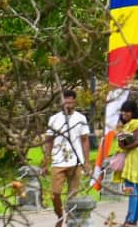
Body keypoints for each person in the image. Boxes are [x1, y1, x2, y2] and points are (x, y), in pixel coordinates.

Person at [45, 89, 92, 227]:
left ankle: (70, 219)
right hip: (58, 160)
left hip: (75, 161)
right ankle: (60, 215)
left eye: (70, 102)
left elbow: (85, 140)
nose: (68, 104)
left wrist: (87, 161)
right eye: (66, 101)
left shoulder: (81, 118)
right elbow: (49, 140)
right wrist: (46, 159)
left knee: (73, 195)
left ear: (74, 102)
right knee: (55, 193)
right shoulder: (54, 119)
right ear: (62, 102)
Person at [113, 99, 138, 227]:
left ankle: (131, 219)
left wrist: (126, 147)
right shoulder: (125, 125)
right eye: (123, 112)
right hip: (130, 156)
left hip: (133, 158)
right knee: (135, 189)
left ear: (132, 112)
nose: (124, 115)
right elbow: (121, 142)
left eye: (127, 112)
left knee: (131, 188)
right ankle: (133, 219)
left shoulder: (136, 123)